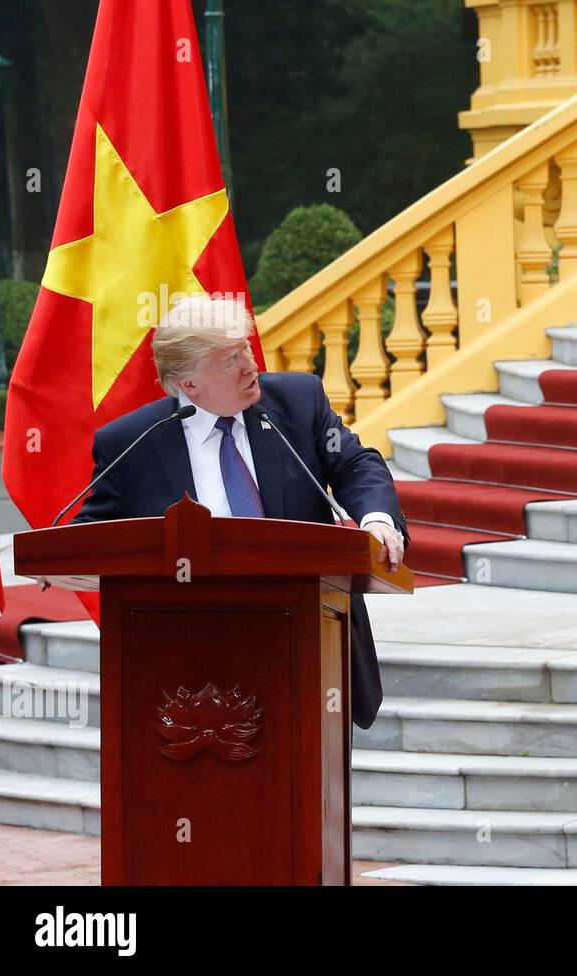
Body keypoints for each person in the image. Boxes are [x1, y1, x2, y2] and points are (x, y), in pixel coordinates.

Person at [71, 295, 408, 730]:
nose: (251, 365)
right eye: (230, 360)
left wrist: (377, 519)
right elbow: (92, 532)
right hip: (186, 667)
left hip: (308, 642)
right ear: (187, 384)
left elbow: (355, 464)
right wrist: (59, 558)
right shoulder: (133, 441)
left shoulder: (297, 402)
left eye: (245, 347)